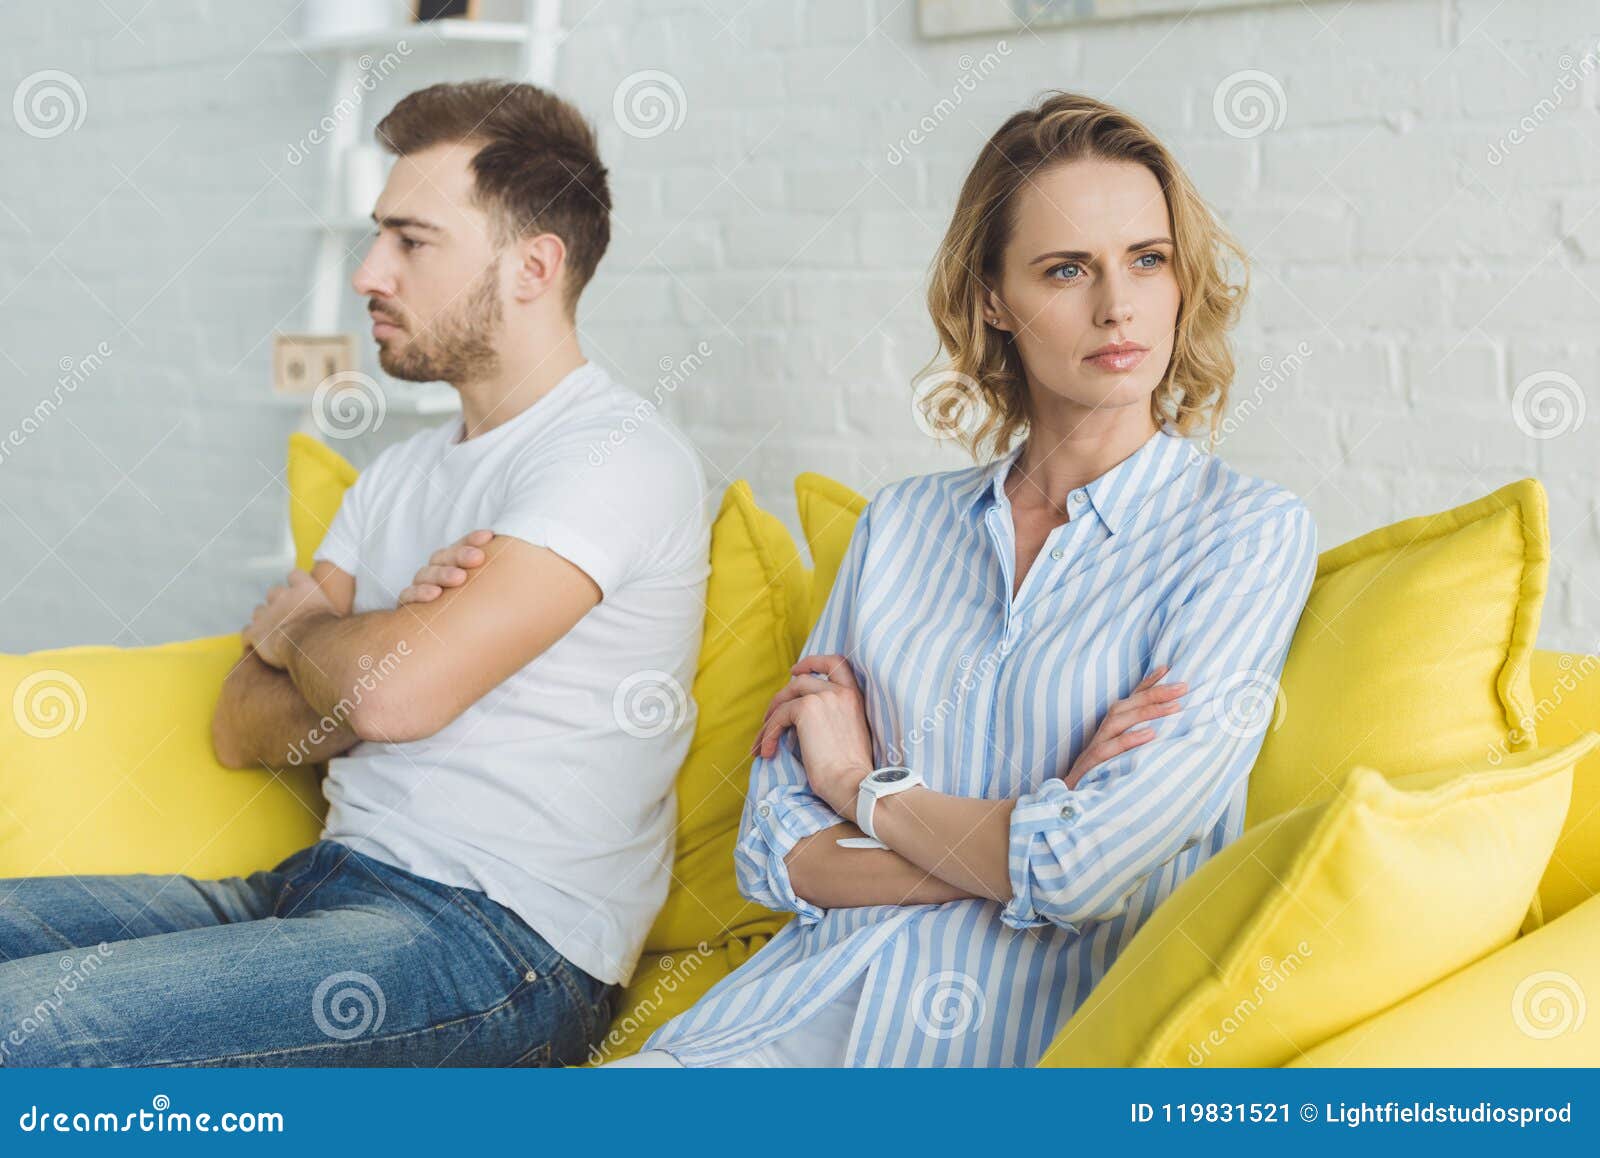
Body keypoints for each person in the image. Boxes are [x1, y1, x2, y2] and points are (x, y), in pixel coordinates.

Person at [599, 90, 1320, 1067]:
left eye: (1147, 260)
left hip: (986, 1057)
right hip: (760, 1034)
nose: (1118, 306)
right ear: (993, 299)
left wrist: (857, 782)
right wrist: (1023, 827)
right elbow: (778, 854)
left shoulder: (1244, 536)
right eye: (1067, 269)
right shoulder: (897, 526)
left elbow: (1085, 869)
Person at [0, 81, 709, 1068]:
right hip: (314, 889)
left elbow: (394, 695)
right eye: (379, 236)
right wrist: (377, 653)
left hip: (494, 951)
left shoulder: (612, 456)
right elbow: (241, 724)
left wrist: (303, 638)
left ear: (532, 267)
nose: (370, 272)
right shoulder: (399, 475)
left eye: (411, 241)